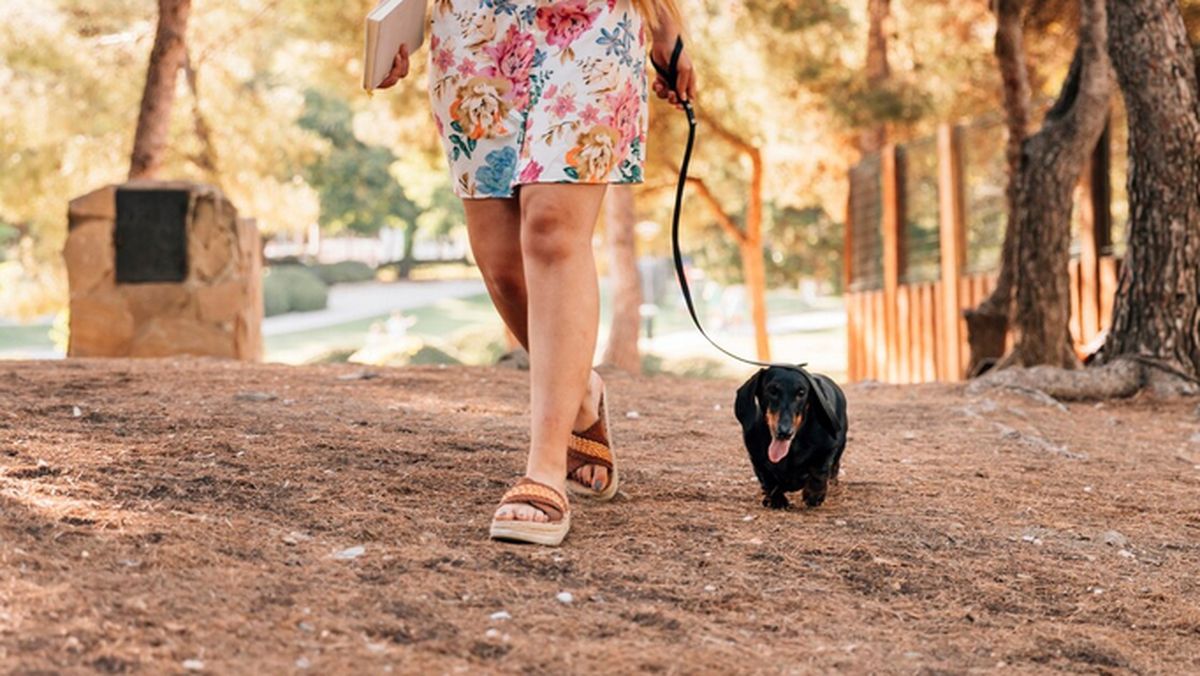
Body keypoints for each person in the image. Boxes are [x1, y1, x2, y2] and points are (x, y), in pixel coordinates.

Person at [377, 0, 696, 546]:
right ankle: (581, 395)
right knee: (501, 264)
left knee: (550, 230)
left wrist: (668, 26)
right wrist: (388, 27)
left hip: (593, 20)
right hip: (477, 28)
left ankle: (544, 469)